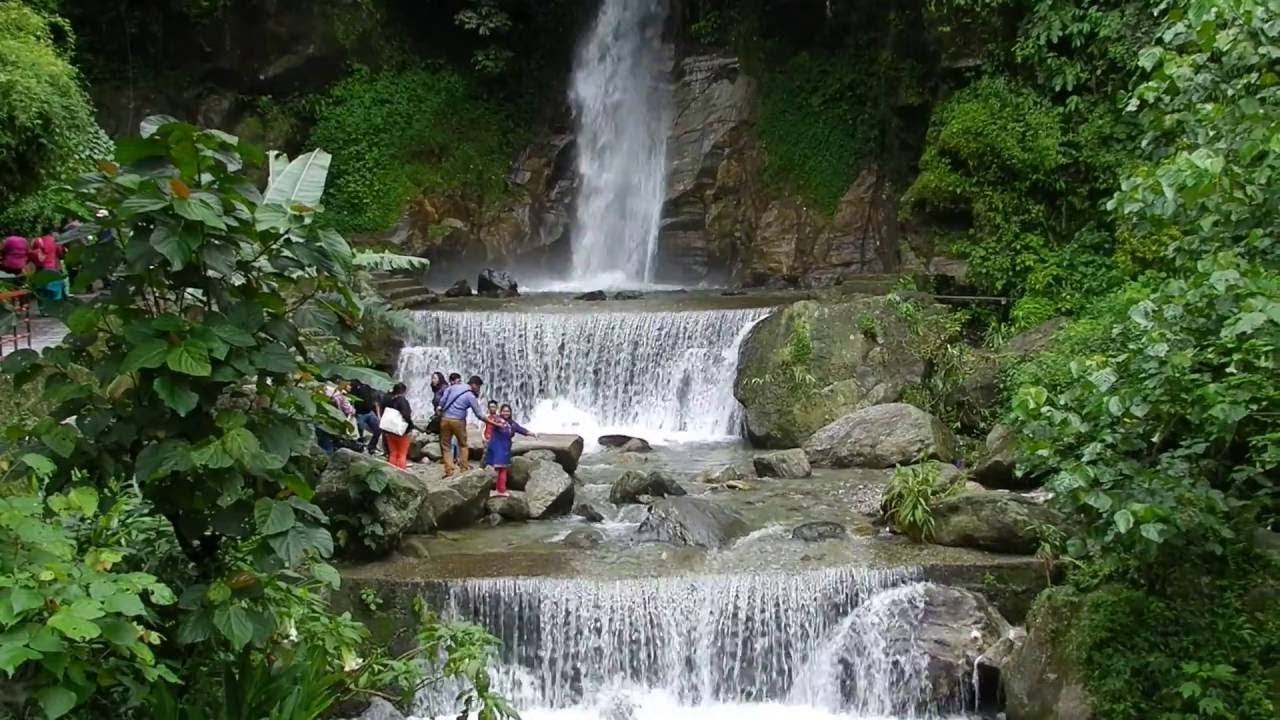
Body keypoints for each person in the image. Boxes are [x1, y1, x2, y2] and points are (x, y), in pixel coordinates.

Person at [437, 375, 487, 476]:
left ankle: (449, 470)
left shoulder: (452, 387)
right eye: (478, 386)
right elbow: (478, 414)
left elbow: (442, 401)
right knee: (463, 445)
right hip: (458, 421)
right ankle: (464, 468)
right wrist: (491, 421)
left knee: (446, 446)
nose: (479, 389)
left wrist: (439, 407)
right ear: (474, 385)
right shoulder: (470, 396)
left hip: (445, 419)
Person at [485, 404, 534, 497]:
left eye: (508, 411)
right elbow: (488, 423)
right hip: (497, 446)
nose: (506, 413)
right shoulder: (497, 420)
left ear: (510, 412)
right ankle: (500, 490)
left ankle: (499, 489)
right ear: (501, 412)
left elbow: (520, 429)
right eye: (504, 411)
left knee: (502, 469)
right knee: (501, 469)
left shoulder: (512, 423)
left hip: (505, 447)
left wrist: (532, 434)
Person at [381, 383, 417, 470]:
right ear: (404, 391)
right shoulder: (402, 401)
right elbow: (406, 415)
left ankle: (391, 471)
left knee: (393, 452)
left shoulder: (389, 400)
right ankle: (400, 473)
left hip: (390, 430)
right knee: (402, 453)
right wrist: (411, 426)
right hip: (401, 430)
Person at [316, 380, 356, 454]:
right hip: (332, 422)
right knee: (328, 444)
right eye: (349, 385)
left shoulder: (325, 389)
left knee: (320, 442)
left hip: (319, 419)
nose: (350, 387)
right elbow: (350, 410)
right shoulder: (340, 396)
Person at [29, 232, 66, 301]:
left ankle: (43, 304)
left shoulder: (38, 240)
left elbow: (33, 252)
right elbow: (60, 254)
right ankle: (56, 304)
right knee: (55, 290)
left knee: (42, 289)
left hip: (39, 269)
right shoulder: (55, 241)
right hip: (52, 268)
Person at [351, 379, 382, 454]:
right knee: (359, 433)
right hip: (359, 414)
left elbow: (375, 402)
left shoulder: (368, 387)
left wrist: (378, 415)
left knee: (378, 429)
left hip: (369, 412)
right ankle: (359, 449)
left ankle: (371, 447)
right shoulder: (354, 387)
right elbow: (351, 400)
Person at [481, 400, 500, 466]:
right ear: (488, 408)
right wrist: (483, 437)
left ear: (497, 407)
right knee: (485, 454)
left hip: (496, 439)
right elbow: (483, 428)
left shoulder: (499, 418)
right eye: (491, 407)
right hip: (487, 438)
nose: (492, 408)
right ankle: (482, 468)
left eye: (494, 407)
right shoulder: (486, 417)